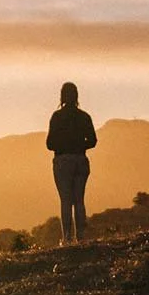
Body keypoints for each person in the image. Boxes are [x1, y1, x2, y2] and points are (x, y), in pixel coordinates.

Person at [47, 81, 98, 243]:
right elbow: (93, 141)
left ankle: (67, 238)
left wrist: (63, 144)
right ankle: (81, 237)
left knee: (66, 201)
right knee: (79, 200)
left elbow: (49, 144)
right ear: (76, 96)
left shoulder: (57, 117)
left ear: (62, 96)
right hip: (80, 160)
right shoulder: (84, 117)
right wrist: (78, 144)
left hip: (62, 161)